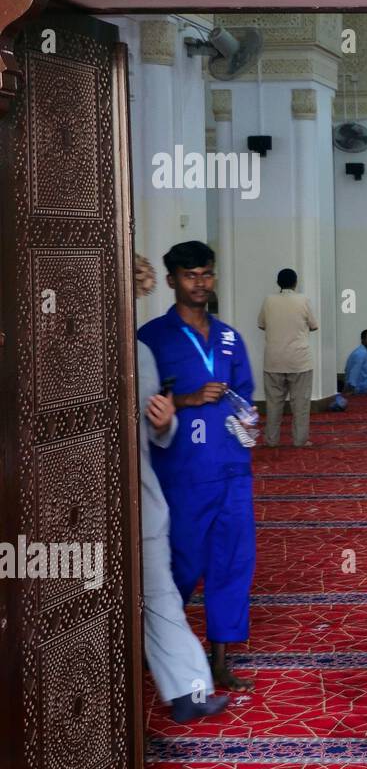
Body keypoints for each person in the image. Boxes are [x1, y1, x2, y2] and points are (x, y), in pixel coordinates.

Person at [138, 240, 256, 692]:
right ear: (171, 281)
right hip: (182, 471)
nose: (200, 283)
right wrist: (186, 399)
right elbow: (142, 402)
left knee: (233, 562)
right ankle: (161, 646)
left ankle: (220, 660)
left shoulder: (229, 337)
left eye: (206, 274)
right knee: (179, 565)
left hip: (232, 468)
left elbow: (243, 390)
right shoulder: (152, 338)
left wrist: (248, 417)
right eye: (190, 275)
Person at [134, 255, 229, 723]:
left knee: (162, 597)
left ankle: (190, 693)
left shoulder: (138, 354)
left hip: (141, 500)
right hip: (73, 509)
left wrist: (167, 421)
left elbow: (159, 432)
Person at [257, 267, 319, 448]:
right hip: (300, 361)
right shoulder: (303, 300)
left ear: (278, 283)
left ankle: (271, 440)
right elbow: (314, 326)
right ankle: (300, 440)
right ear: (295, 283)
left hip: (273, 360)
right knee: (300, 405)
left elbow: (261, 324)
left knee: (273, 404)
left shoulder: (268, 300)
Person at [344, 329, 367, 395]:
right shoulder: (361, 353)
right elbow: (354, 372)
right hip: (359, 387)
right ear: (362, 340)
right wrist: (350, 390)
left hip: (363, 383)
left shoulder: (364, 352)